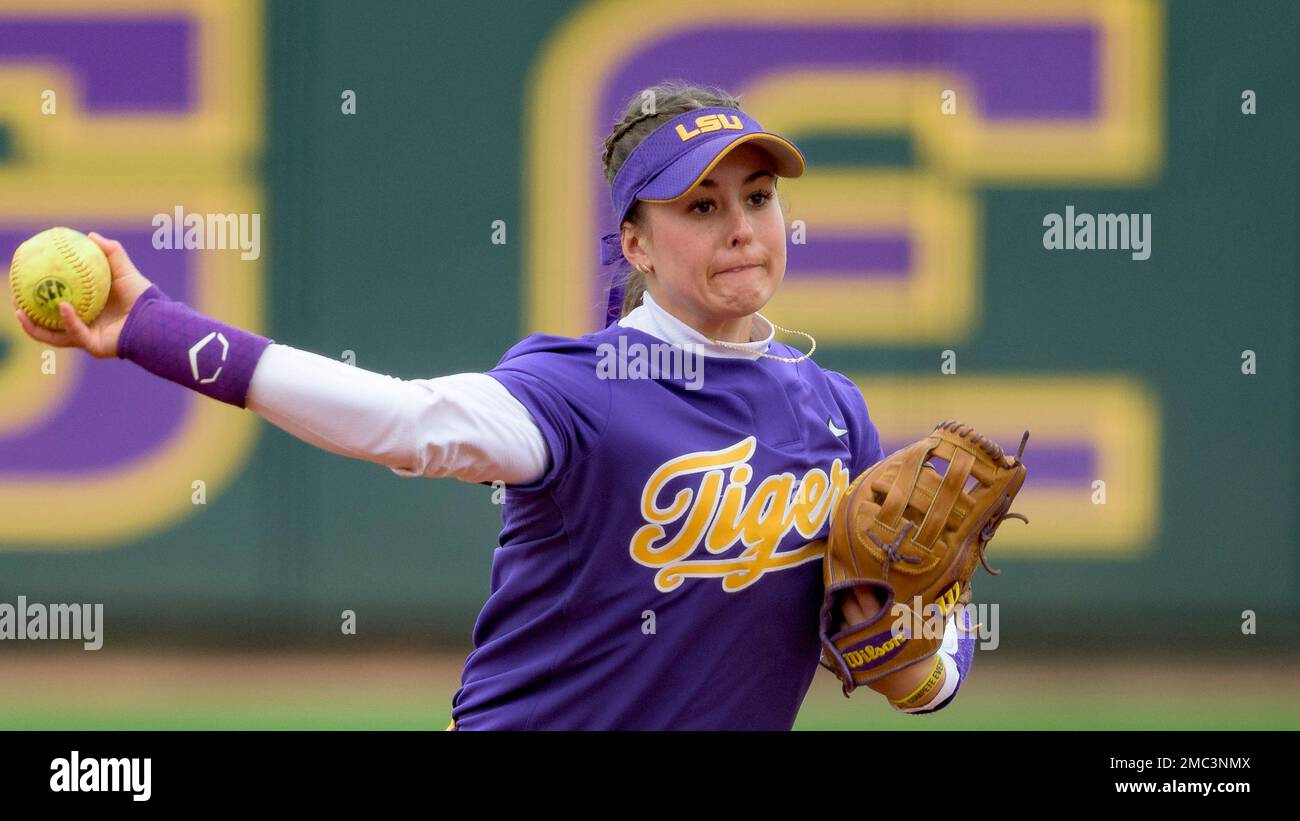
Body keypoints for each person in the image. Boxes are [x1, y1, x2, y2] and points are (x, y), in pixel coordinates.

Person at [12, 80, 975, 731]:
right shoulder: (578, 388)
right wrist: (157, 329)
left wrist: (925, 672)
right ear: (635, 246)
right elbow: (406, 422)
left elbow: (936, 624)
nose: (739, 228)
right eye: (698, 205)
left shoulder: (834, 413)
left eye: (756, 197)